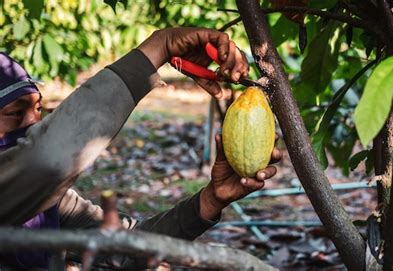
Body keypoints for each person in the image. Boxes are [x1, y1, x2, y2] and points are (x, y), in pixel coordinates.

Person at [0, 27, 281, 269]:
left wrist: (210, 201)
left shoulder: (51, 206)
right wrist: (159, 47)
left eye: (38, 108)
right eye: (15, 113)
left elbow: (126, 248)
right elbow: (46, 162)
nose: (34, 123)